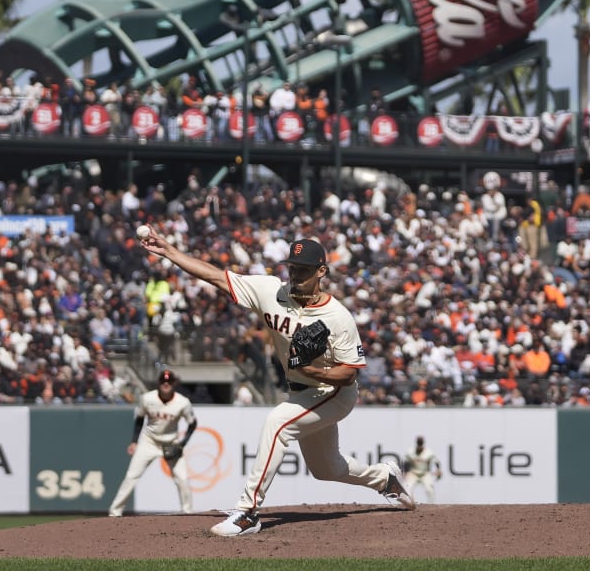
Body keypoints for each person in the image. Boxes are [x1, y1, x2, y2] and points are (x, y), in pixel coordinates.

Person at [136, 229, 414, 537]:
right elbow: (217, 277)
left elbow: (349, 372)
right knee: (327, 469)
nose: (296, 275)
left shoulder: (338, 317)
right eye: (293, 268)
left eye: (304, 270)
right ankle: (386, 479)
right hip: (301, 392)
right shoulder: (271, 291)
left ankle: (247, 512)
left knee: (277, 423)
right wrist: (170, 252)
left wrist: (311, 371)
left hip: (334, 392)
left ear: (322, 271)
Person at [107, 368, 197, 517]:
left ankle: (187, 512)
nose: (165, 384)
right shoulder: (148, 398)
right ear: (158, 383)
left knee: (182, 478)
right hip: (149, 441)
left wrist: (181, 444)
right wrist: (134, 441)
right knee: (131, 476)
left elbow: (192, 423)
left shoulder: (183, 402)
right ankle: (114, 511)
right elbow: (140, 419)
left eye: (168, 381)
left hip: (171, 442)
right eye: (163, 381)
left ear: (173, 383)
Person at [403, 435, 442, 504]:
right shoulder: (410, 451)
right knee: (408, 488)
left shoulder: (429, 452)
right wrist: (405, 473)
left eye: (420, 443)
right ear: (416, 443)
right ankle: (410, 505)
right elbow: (406, 462)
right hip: (413, 473)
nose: (419, 445)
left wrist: (438, 470)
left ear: (423, 443)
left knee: (429, 489)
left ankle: (431, 506)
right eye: (418, 443)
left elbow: (436, 461)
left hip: (425, 473)